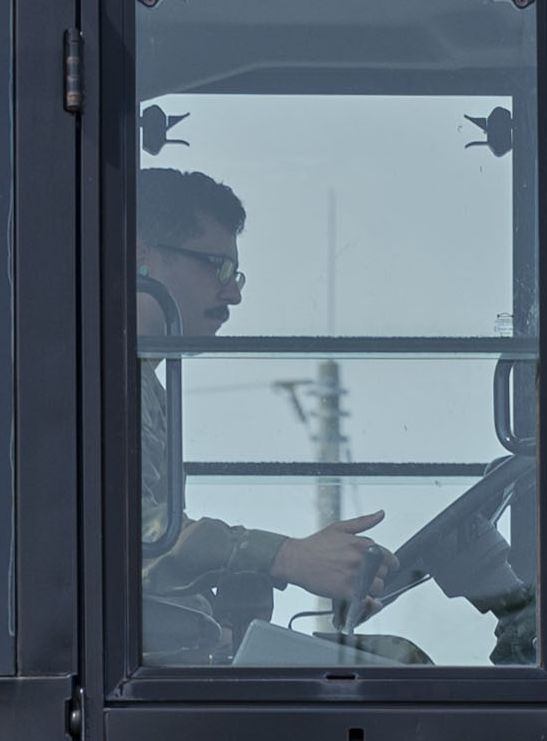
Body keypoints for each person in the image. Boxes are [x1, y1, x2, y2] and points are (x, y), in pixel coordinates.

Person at [135, 168, 390, 662]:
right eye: (218, 268)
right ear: (141, 253)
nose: (233, 295)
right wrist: (289, 557)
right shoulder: (84, 377)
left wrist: (216, 627)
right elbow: (129, 543)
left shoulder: (145, 386)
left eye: (237, 276)